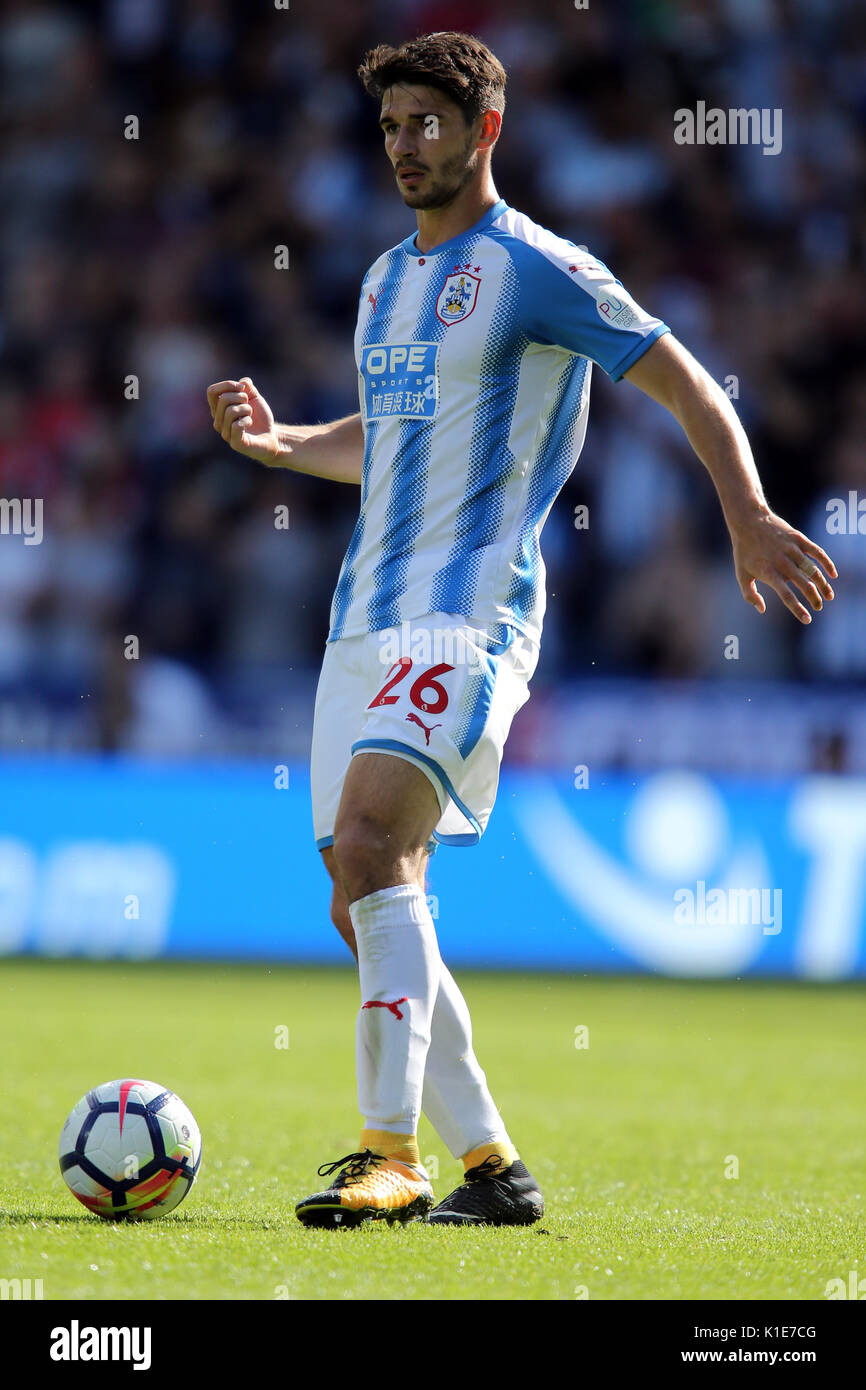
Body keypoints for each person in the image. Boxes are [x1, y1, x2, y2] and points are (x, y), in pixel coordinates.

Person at [207, 32, 836, 1229]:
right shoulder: (384, 279)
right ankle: (492, 1168)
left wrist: (746, 513)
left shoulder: (540, 269)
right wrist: (286, 445)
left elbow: (685, 379)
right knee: (358, 891)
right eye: (389, 126)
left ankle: (385, 1153)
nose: (403, 145)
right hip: (363, 621)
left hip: (467, 615)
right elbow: (389, 435)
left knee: (376, 841)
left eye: (425, 124)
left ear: (483, 129)